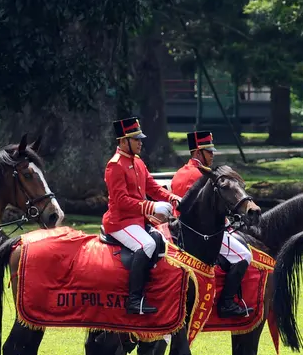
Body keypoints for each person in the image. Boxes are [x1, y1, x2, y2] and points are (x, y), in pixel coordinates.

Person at [102, 117, 181, 315]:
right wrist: (151, 207)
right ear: (123, 141)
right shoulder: (115, 165)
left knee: (161, 239)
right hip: (119, 222)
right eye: (135, 139)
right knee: (147, 244)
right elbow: (121, 201)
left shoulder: (137, 162)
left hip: (136, 220)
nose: (140, 142)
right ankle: (134, 300)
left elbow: (153, 188)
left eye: (139, 139)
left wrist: (173, 198)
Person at [171, 130, 251, 318]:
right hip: (199, 233)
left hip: (179, 228)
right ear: (198, 152)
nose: (213, 155)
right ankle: (227, 303)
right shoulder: (202, 175)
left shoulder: (181, 172)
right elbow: (206, 210)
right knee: (244, 256)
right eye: (209, 151)